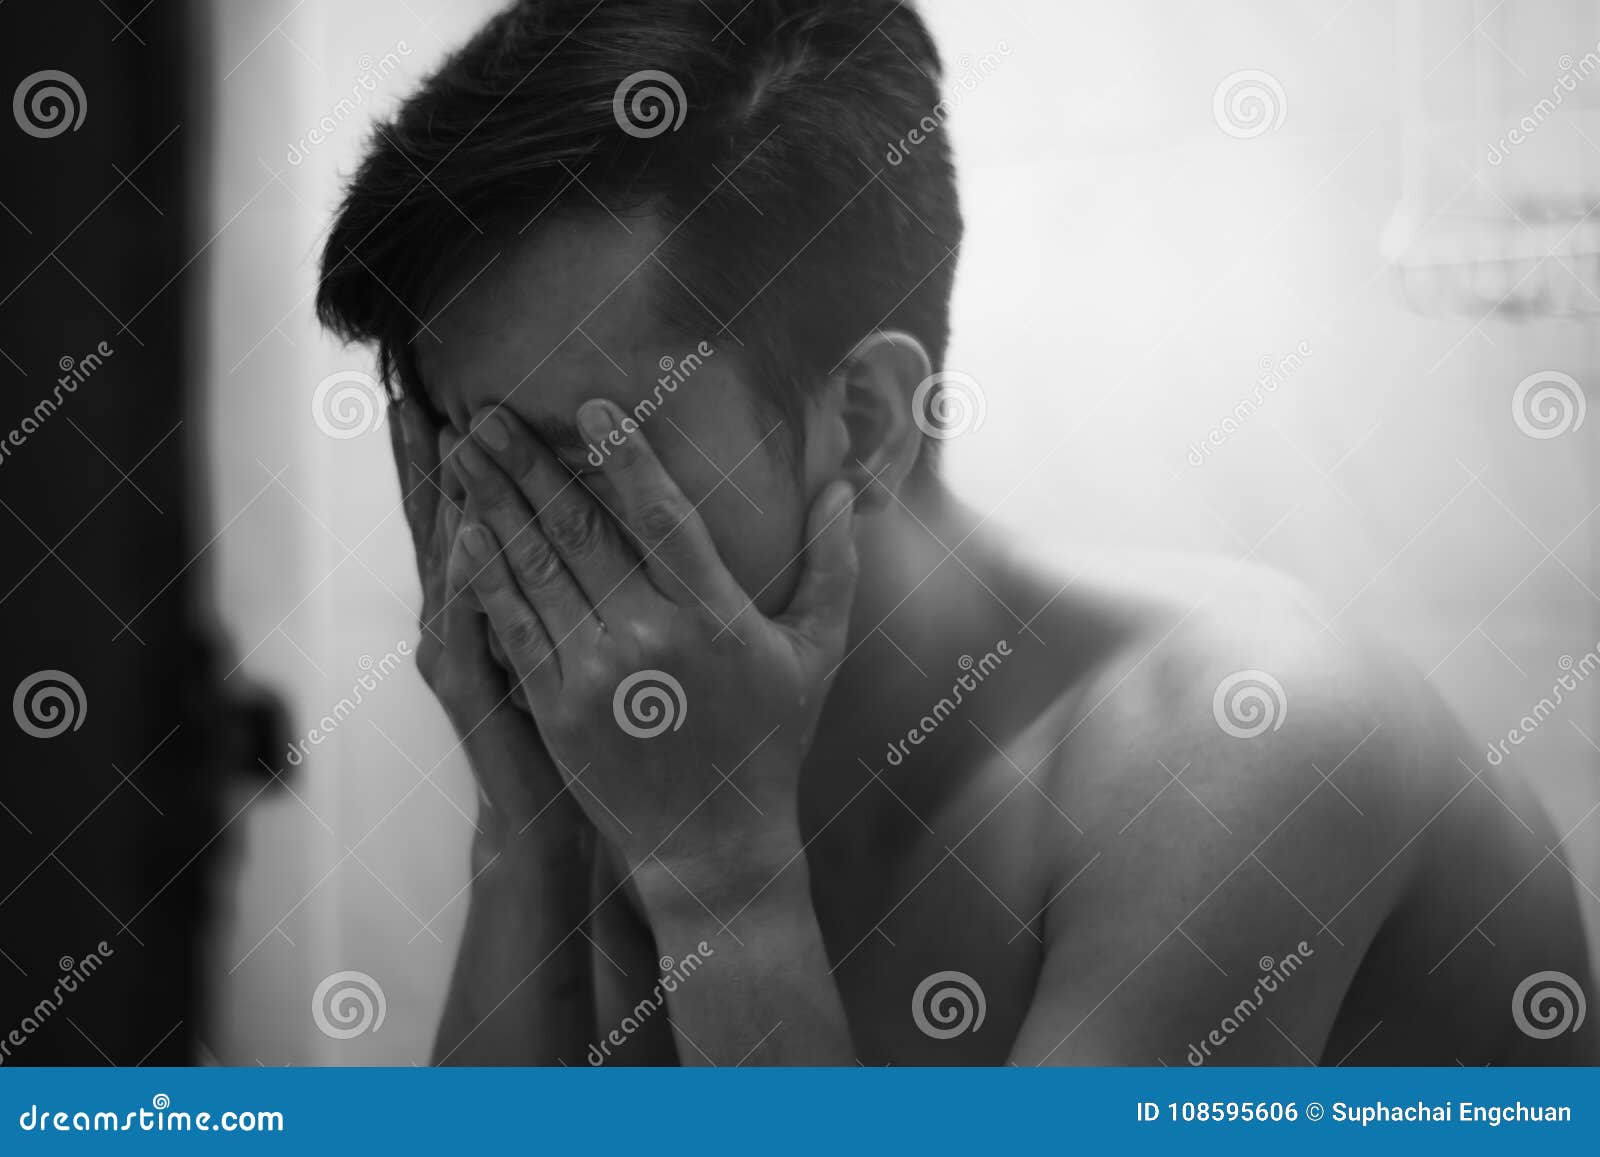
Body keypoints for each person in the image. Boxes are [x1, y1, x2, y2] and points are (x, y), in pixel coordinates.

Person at [316, 0, 1596, 1065]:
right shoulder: (645, 729)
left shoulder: (1249, 732)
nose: (509, 544)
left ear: (865, 419)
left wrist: (725, 883)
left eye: (583, 455)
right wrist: (523, 835)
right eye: (464, 456)